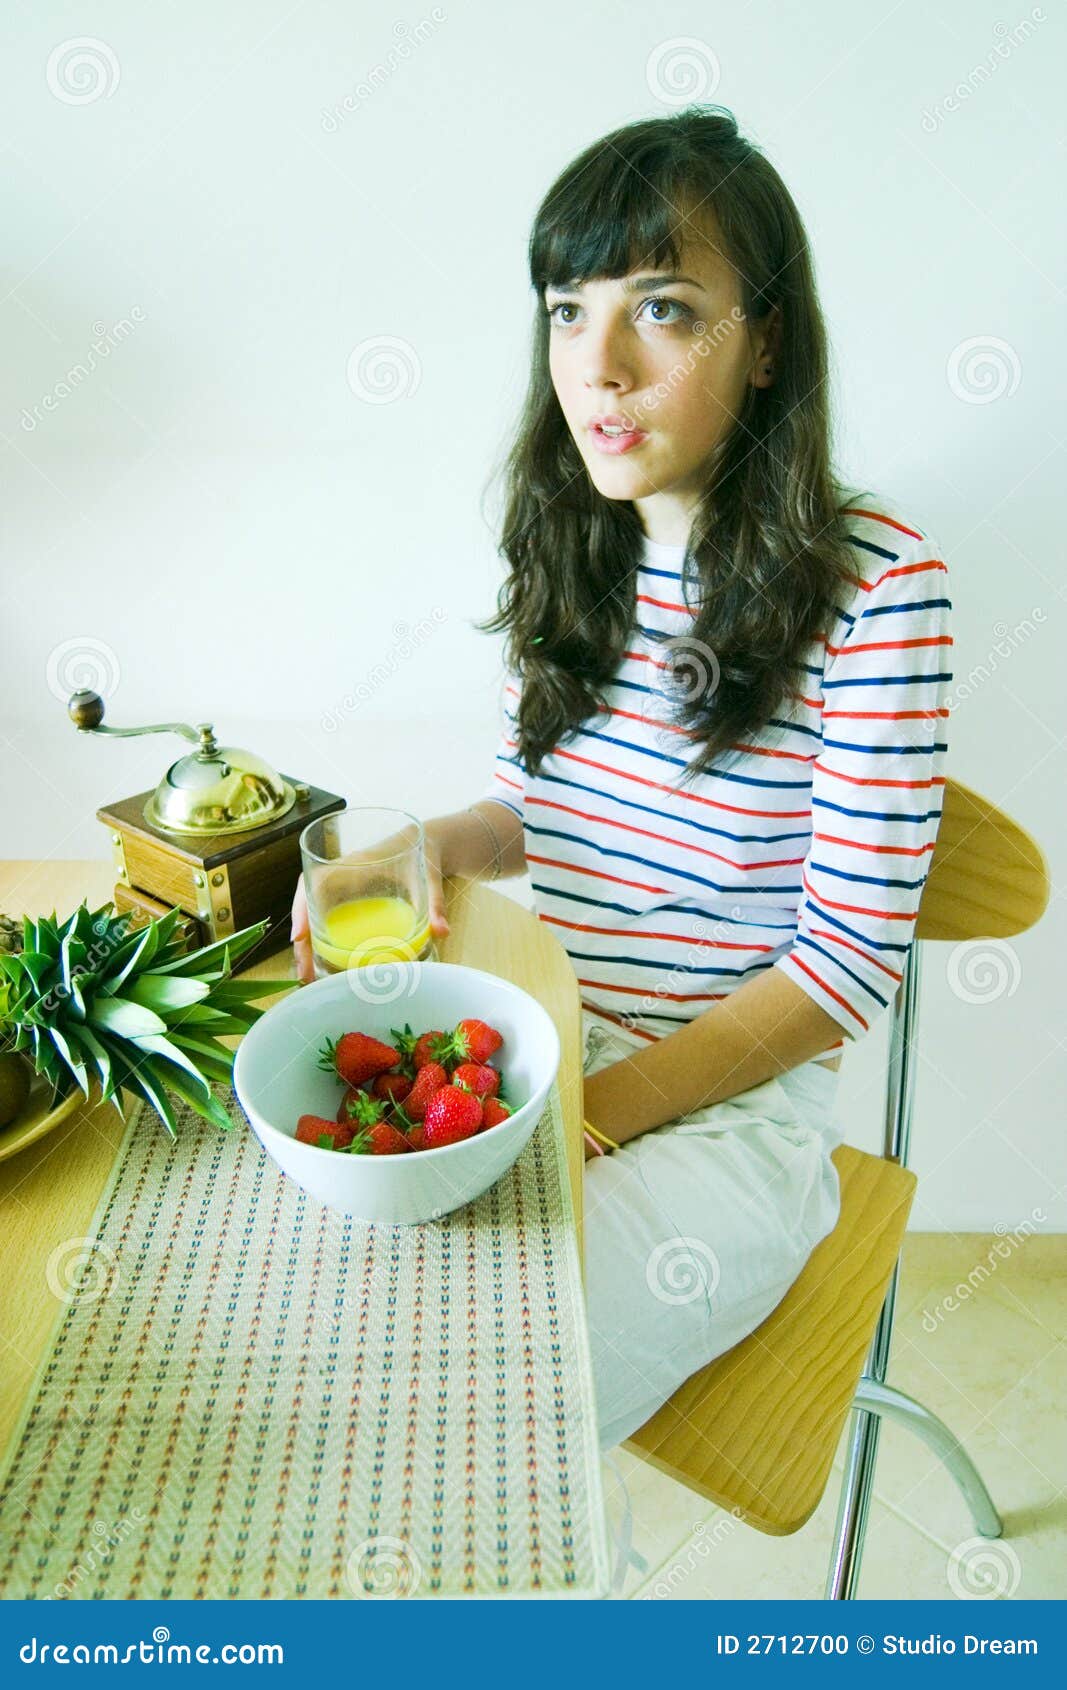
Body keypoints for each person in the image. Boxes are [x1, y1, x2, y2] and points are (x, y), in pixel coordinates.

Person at [293, 105, 952, 1455]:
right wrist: (432, 849)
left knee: (485, 1419)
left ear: (764, 342)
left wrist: (586, 1120)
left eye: (662, 306)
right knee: (328, 1308)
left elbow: (842, 972)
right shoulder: (571, 542)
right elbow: (544, 804)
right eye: (563, 307)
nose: (595, 365)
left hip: (727, 1121)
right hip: (542, 1033)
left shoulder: (879, 585)